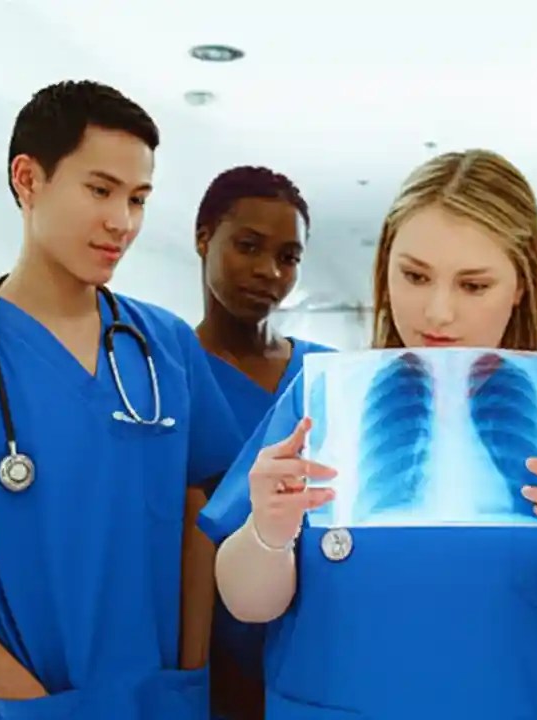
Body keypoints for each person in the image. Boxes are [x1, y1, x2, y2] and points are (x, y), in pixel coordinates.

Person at [198, 149, 537, 718]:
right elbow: (248, 604)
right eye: (413, 276)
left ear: (520, 286)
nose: (437, 312)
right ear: (384, 267)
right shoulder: (324, 402)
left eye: (474, 285)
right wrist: (268, 531)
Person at [0, 80, 244, 720]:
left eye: (138, 198)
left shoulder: (165, 345)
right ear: (28, 179)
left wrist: (191, 666)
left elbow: (196, 506)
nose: (122, 221)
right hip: (32, 703)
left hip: (163, 696)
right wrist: (26, 701)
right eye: (100, 190)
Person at [189, 165, 334, 720]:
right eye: (248, 246)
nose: (269, 271)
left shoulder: (326, 375)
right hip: (207, 660)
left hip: (313, 645)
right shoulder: (166, 373)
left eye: (289, 257)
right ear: (204, 238)